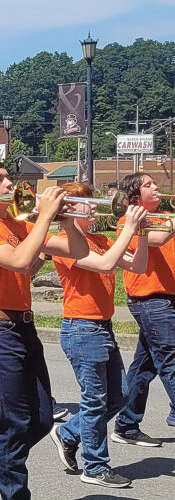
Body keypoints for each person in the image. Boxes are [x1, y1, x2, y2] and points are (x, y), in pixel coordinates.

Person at [0, 159, 89, 500]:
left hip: (23, 329)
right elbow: (19, 261)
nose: (9, 184)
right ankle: (16, 494)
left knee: (42, 420)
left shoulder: (20, 225)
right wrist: (44, 217)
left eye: (8, 178)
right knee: (16, 421)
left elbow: (78, 250)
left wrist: (67, 221)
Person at [47, 182, 148, 488]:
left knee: (122, 396)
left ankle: (68, 433)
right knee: (95, 401)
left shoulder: (101, 239)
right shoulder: (63, 242)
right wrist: (128, 229)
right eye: (86, 202)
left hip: (102, 326)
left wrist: (140, 233)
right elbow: (104, 267)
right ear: (69, 208)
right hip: (81, 327)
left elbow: (139, 266)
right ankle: (95, 467)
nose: (94, 207)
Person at [112, 173, 175, 447]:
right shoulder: (129, 221)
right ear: (135, 195)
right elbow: (158, 240)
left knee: (143, 366)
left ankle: (126, 424)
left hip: (168, 297)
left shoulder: (163, 215)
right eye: (148, 184)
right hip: (150, 299)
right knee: (171, 358)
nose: (156, 187)